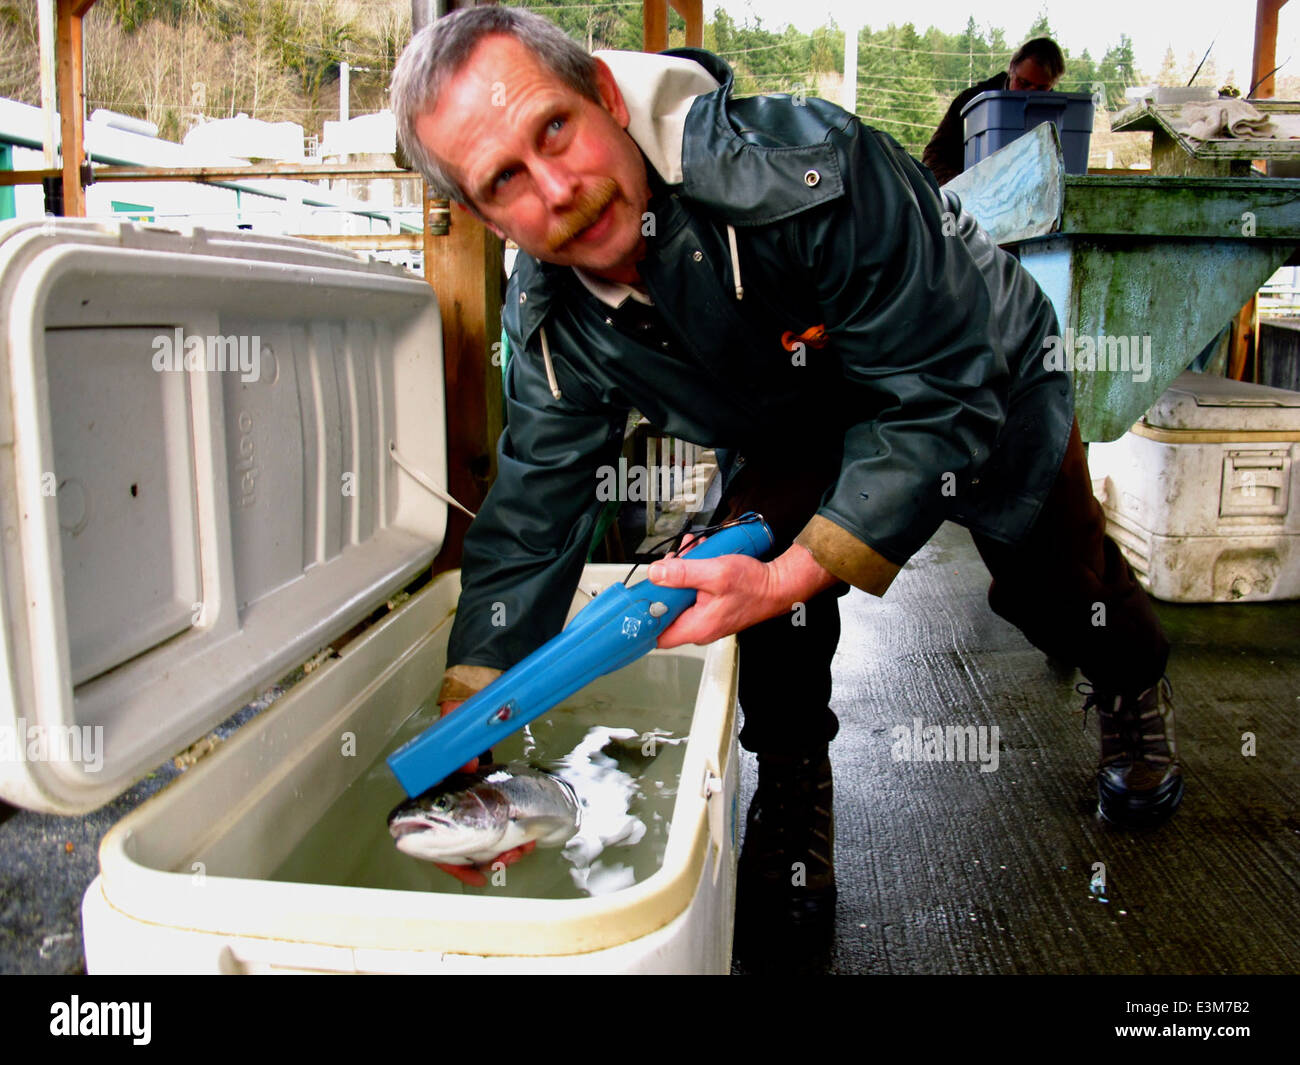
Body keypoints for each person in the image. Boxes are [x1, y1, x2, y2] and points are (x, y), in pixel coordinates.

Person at [389, 8, 1181, 932]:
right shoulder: (552, 321)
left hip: (978, 367)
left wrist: (795, 566)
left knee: (1055, 579)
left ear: (605, 93)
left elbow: (937, 389)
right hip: (788, 417)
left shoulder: (810, 165)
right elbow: (533, 514)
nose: (558, 187)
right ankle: (794, 773)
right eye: (505, 181)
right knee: (743, 574)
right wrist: (467, 725)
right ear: (486, 219)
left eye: (554, 128)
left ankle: (1130, 682)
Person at [922, 37, 1066, 186]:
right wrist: (961, 187)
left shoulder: (1060, 114)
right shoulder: (971, 103)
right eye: (1023, 83)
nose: (1030, 93)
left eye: (1042, 89)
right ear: (1011, 69)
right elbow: (933, 156)